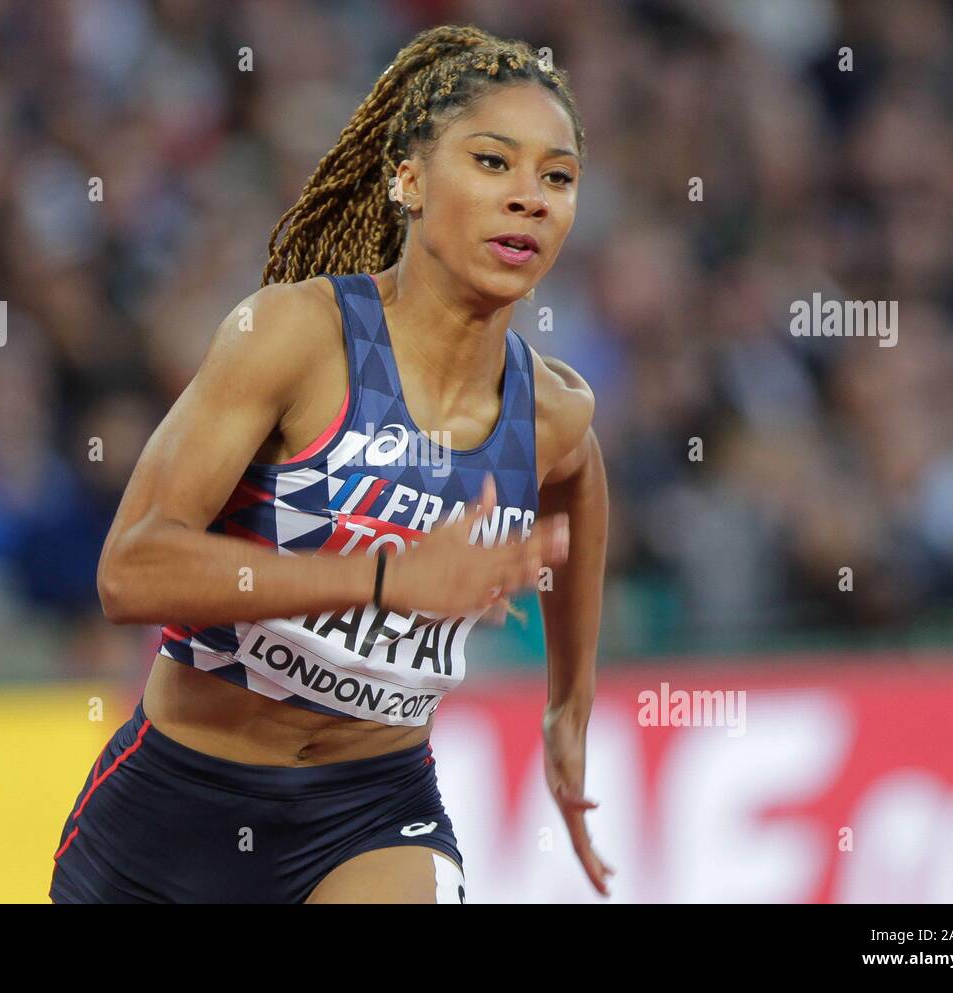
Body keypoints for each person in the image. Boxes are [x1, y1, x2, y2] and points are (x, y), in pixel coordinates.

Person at [50, 23, 613, 904]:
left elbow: (582, 487)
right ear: (409, 178)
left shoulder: (555, 411)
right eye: (494, 163)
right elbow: (130, 571)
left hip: (373, 811)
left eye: (558, 177)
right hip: (177, 809)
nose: (530, 199)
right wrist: (384, 578)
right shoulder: (294, 335)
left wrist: (568, 708)